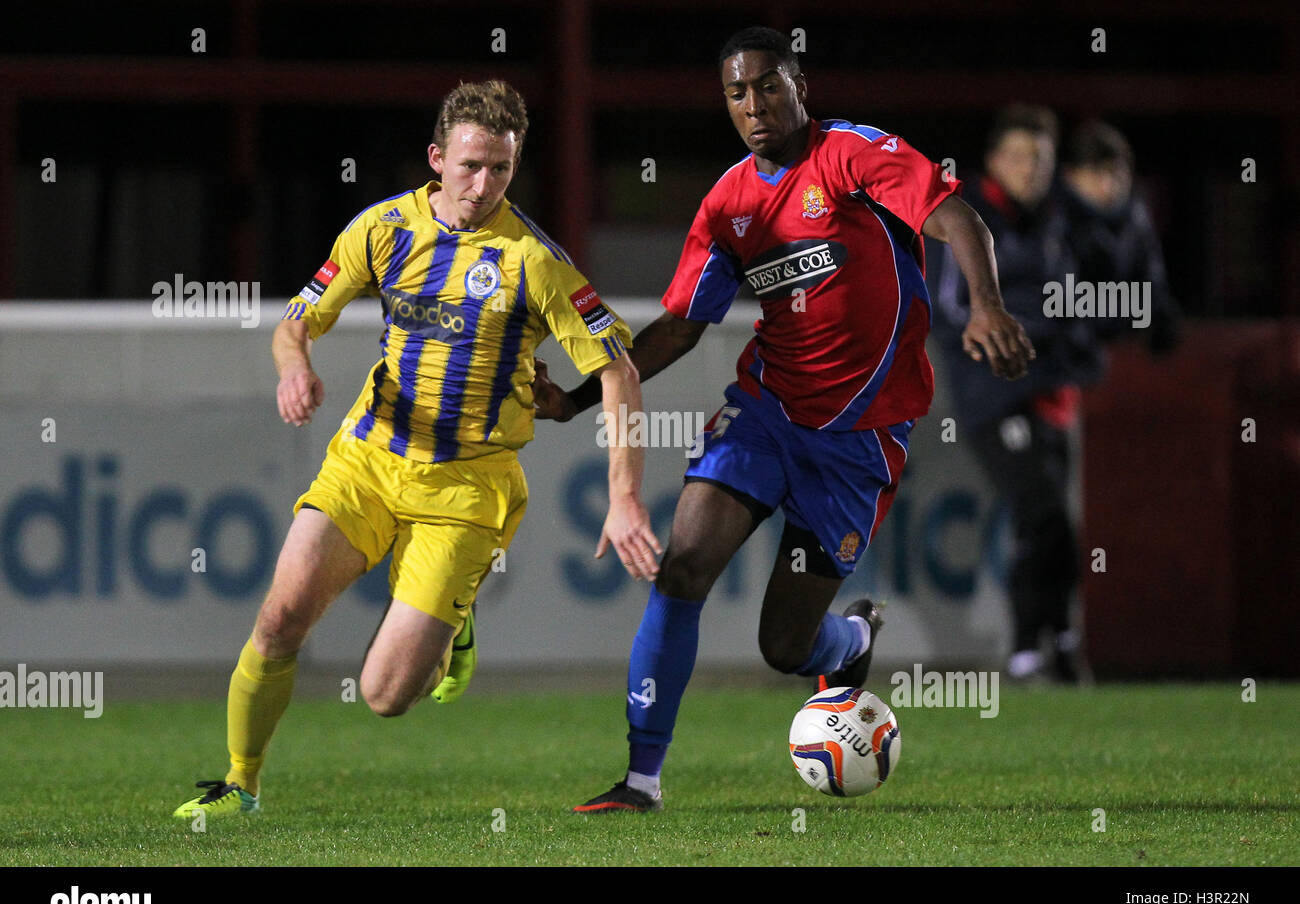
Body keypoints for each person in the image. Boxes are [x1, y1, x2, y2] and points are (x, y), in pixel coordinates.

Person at [534, 27, 1034, 813]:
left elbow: (957, 219)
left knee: (785, 646)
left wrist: (988, 307)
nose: (754, 104)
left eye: (769, 85)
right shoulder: (728, 203)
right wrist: (573, 396)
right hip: (765, 414)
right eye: (737, 92)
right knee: (683, 567)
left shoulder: (853, 155)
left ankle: (852, 641)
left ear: (800, 84)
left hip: (862, 439)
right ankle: (641, 779)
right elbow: (679, 325)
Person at [172, 80, 661, 820]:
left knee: (383, 697)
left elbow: (619, 372)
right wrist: (294, 367)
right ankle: (240, 784)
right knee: (279, 619)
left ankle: (453, 622)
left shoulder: (536, 262)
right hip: (368, 459)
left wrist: (624, 496)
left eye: (500, 169)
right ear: (437, 158)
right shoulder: (381, 230)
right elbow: (295, 322)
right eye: (470, 166)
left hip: (467, 489)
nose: (484, 184)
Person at [929, 104, 1091, 683]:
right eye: (1019, 157)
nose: (1030, 169)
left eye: (1041, 159)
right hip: (993, 393)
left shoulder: (1054, 225)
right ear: (995, 162)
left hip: (1051, 393)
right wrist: (1035, 325)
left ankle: (1053, 642)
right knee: (1043, 512)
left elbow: (1083, 301)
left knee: (1048, 520)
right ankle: (1036, 646)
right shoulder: (966, 220)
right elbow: (950, 308)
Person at [1060, 119, 1181, 355]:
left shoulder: (1136, 219)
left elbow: (1153, 287)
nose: (1108, 185)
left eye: (1116, 173)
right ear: (1071, 175)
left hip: (1124, 350)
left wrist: (1160, 316)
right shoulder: (1052, 220)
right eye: (1096, 173)